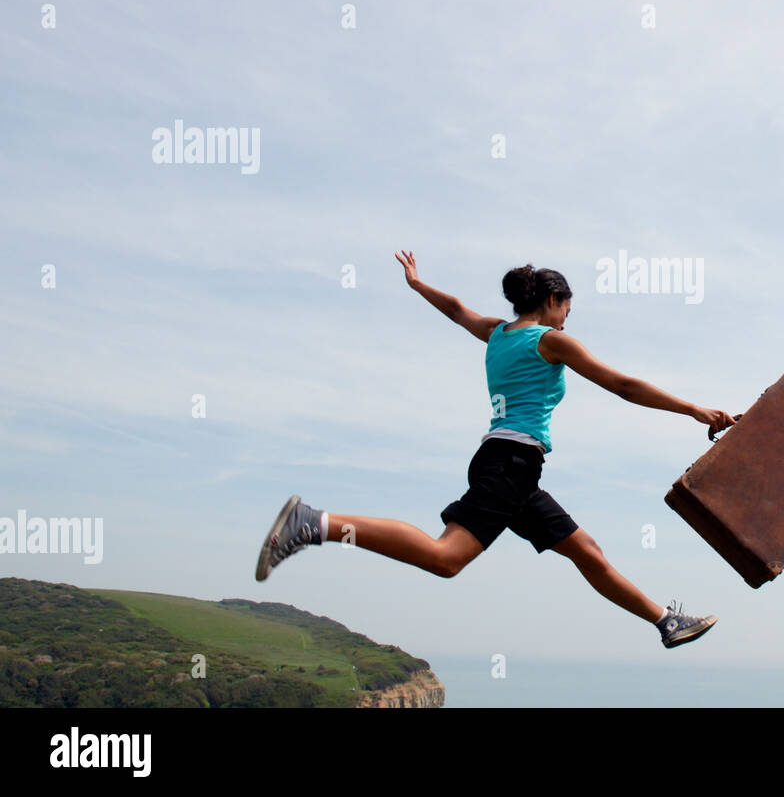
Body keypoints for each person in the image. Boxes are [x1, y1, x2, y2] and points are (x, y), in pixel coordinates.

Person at [254, 252, 736, 649]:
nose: (568, 318)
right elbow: (623, 385)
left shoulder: (497, 332)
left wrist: (419, 286)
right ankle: (316, 523)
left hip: (510, 464)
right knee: (446, 557)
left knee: (586, 551)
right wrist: (696, 410)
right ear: (552, 300)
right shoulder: (549, 341)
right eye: (568, 307)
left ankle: (664, 621)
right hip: (512, 462)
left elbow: (457, 309)